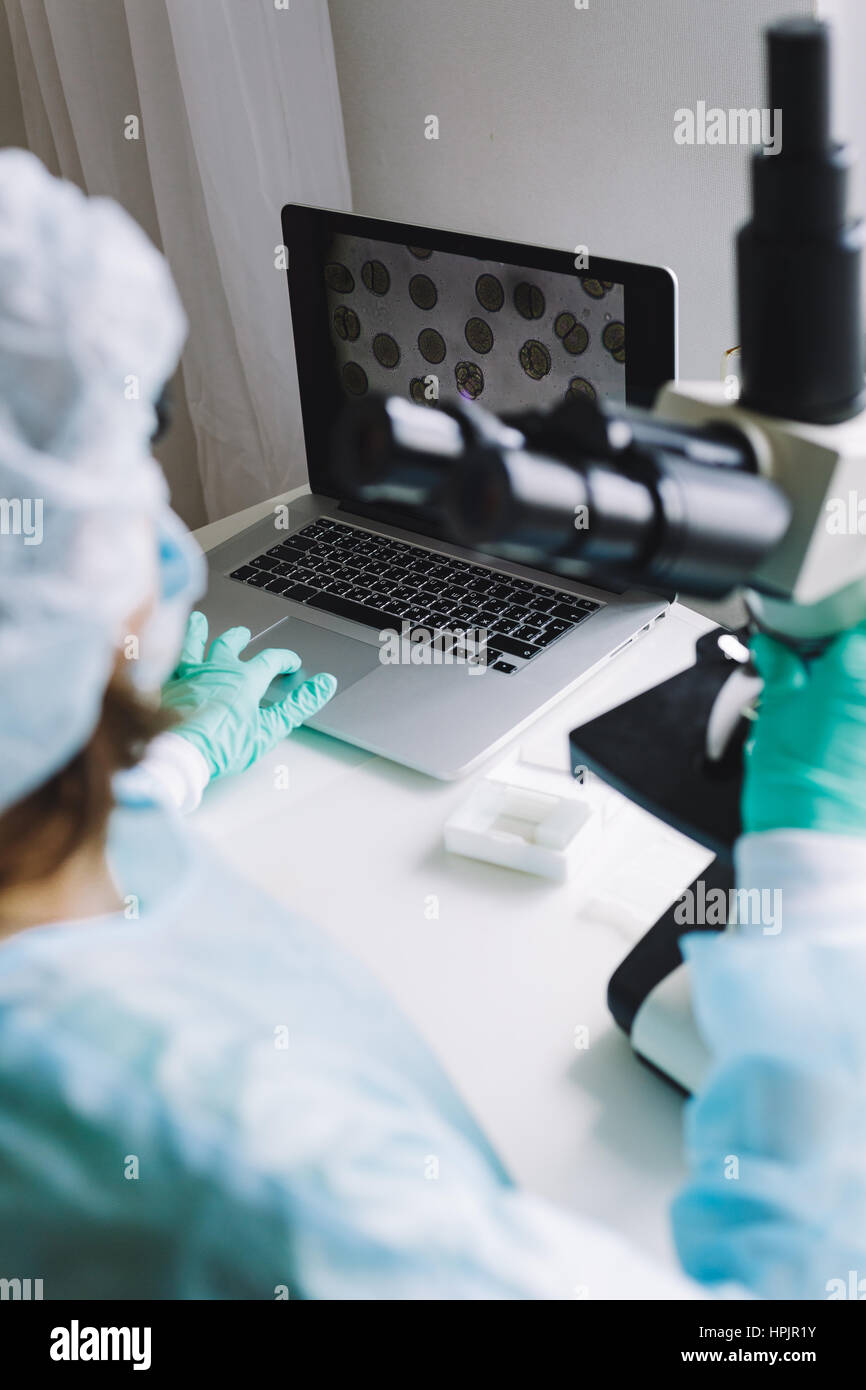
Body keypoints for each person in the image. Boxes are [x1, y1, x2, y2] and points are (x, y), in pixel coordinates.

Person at [0, 151, 862, 1301]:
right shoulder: (264, 1191)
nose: (157, 524)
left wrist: (155, 772)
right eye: (124, 454)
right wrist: (812, 887)